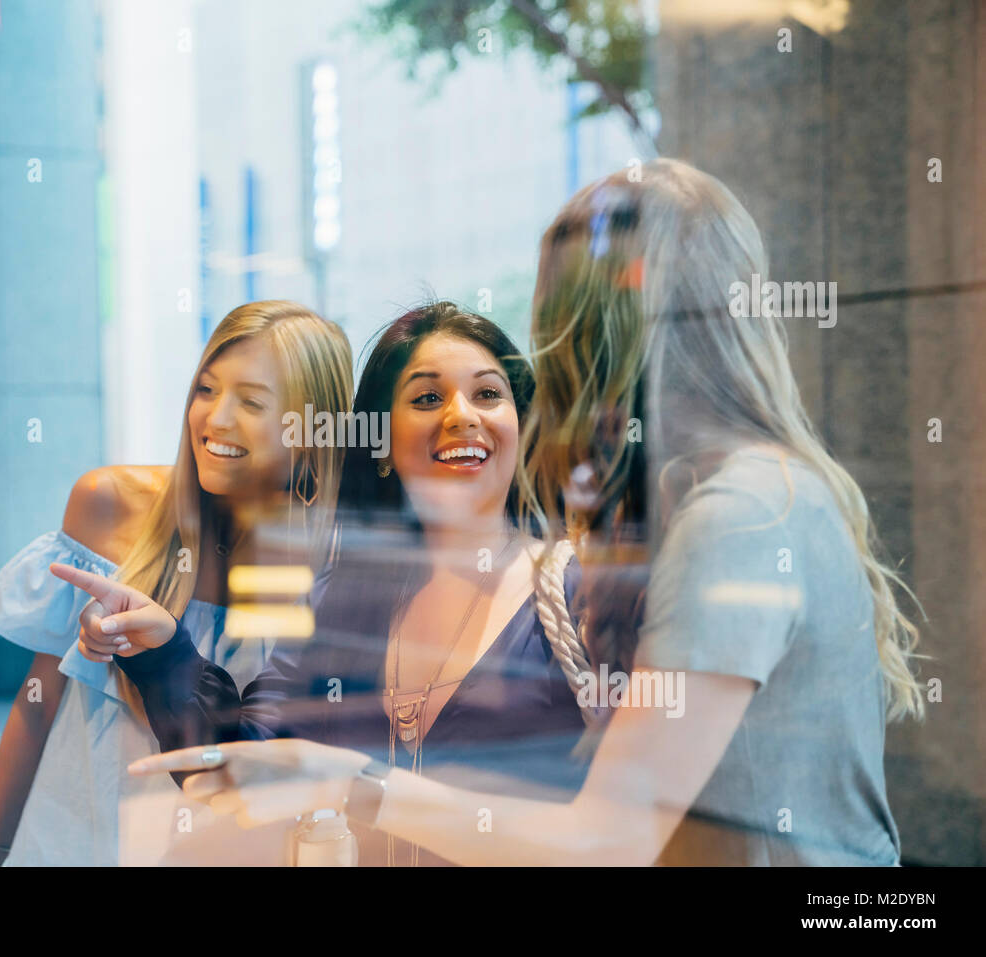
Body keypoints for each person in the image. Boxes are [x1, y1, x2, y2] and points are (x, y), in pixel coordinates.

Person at [126, 160, 925, 866]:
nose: (553, 365)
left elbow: (606, 840)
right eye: (427, 398)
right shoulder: (730, 506)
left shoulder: (729, 521)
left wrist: (353, 785)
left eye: (557, 329)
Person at [54, 303, 597, 867]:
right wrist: (164, 654)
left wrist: (357, 785)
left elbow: (620, 835)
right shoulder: (344, 599)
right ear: (380, 442)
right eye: (427, 398)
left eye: (488, 394)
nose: (461, 415)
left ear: (523, 427)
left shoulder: (576, 598)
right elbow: (250, 763)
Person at [0, 300, 352, 865]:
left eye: (251, 401)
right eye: (206, 389)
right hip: (78, 841)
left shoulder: (335, 566)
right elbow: (36, 705)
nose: (215, 419)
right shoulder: (111, 504)